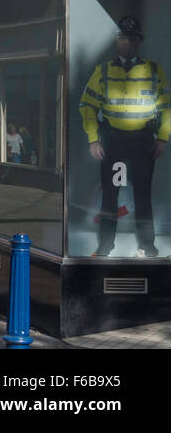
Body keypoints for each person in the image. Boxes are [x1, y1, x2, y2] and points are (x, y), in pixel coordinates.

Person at [81, 15, 171, 257]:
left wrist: (162, 138)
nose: (127, 43)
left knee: (143, 195)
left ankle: (147, 244)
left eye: (132, 39)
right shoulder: (104, 71)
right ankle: (105, 244)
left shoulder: (153, 70)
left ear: (138, 42)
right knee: (110, 196)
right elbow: (87, 105)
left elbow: (166, 107)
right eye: (122, 38)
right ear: (116, 41)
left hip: (143, 140)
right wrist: (93, 138)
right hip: (114, 140)